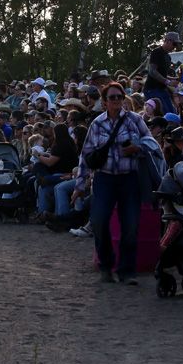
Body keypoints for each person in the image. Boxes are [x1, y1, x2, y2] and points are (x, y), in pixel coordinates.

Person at [75, 81, 152, 285]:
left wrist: (138, 149)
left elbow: (152, 145)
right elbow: (86, 155)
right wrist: (79, 184)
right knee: (99, 221)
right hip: (104, 178)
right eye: (112, 97)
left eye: (120, 96)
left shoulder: (135, 121)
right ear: (104, 101)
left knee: (130, 225)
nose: (117, 100)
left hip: (129, 177)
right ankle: (106, 265)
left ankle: (127, 270)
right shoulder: (97, 124)